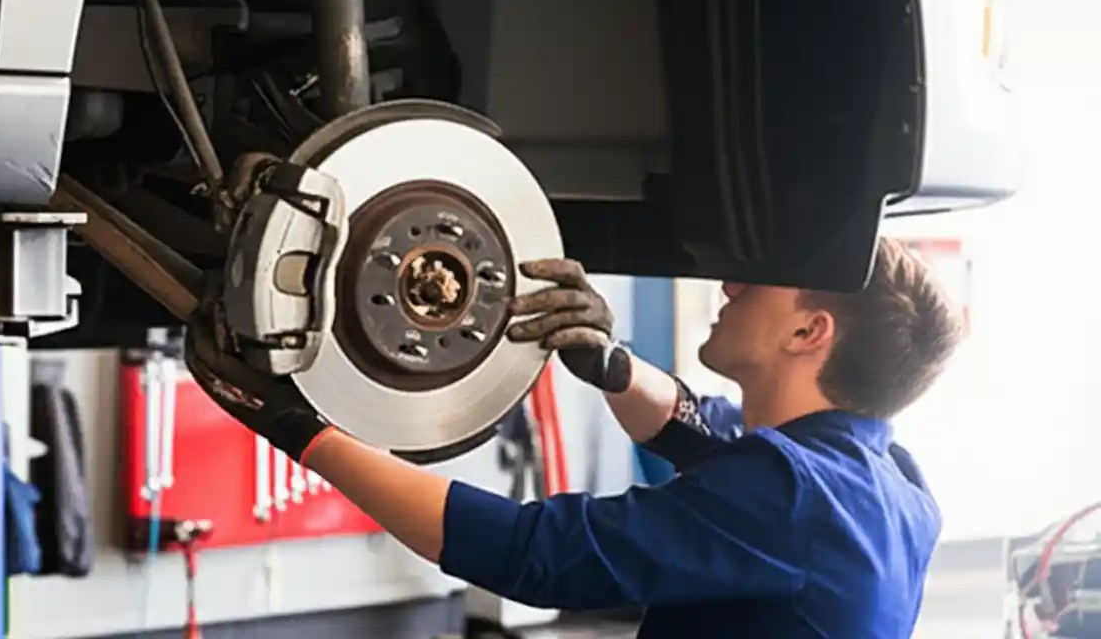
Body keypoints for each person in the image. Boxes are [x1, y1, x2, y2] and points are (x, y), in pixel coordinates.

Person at [186, 236, 965, 638]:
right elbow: (702, 437)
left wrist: (298, 429)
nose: (731, 286)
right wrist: (609, 363)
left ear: (808, 330)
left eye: (760, 283)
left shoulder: (795, 495)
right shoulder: (893, 481)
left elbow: (532, 555)